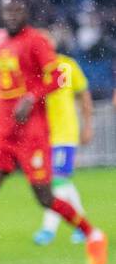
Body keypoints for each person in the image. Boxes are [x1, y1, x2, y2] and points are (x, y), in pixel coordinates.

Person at [0, 0, 106, 264]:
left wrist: (33, 97)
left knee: (44, 196)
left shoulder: (36, 41)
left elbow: (58, 77)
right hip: (3, 130)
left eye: (17, 10)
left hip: (31, 131)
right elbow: (0, 81)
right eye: (7, 11)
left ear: (25, 13)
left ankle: (92, 234)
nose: (11, 16)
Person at [34, 50, 94, 246]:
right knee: (58, 180)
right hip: (45, 135)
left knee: (57, 180)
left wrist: (87, 126)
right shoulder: (34, 68)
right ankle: (83, 226)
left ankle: (48, 229)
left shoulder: (66, 65)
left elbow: (83, 94)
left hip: (64, 132)